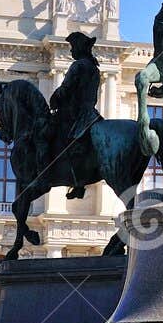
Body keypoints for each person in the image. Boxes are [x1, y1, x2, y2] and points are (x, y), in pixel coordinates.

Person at [46, 30, 102, 198]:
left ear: (79, 48)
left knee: (52, 136)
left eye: (72, 47)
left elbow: (66, 88)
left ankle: (71, 180)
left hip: (77, 113)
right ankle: (79, 184)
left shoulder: (78, 66)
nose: (71, 51)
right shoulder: (94, 67)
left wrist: (55, 98)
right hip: (91, 112)